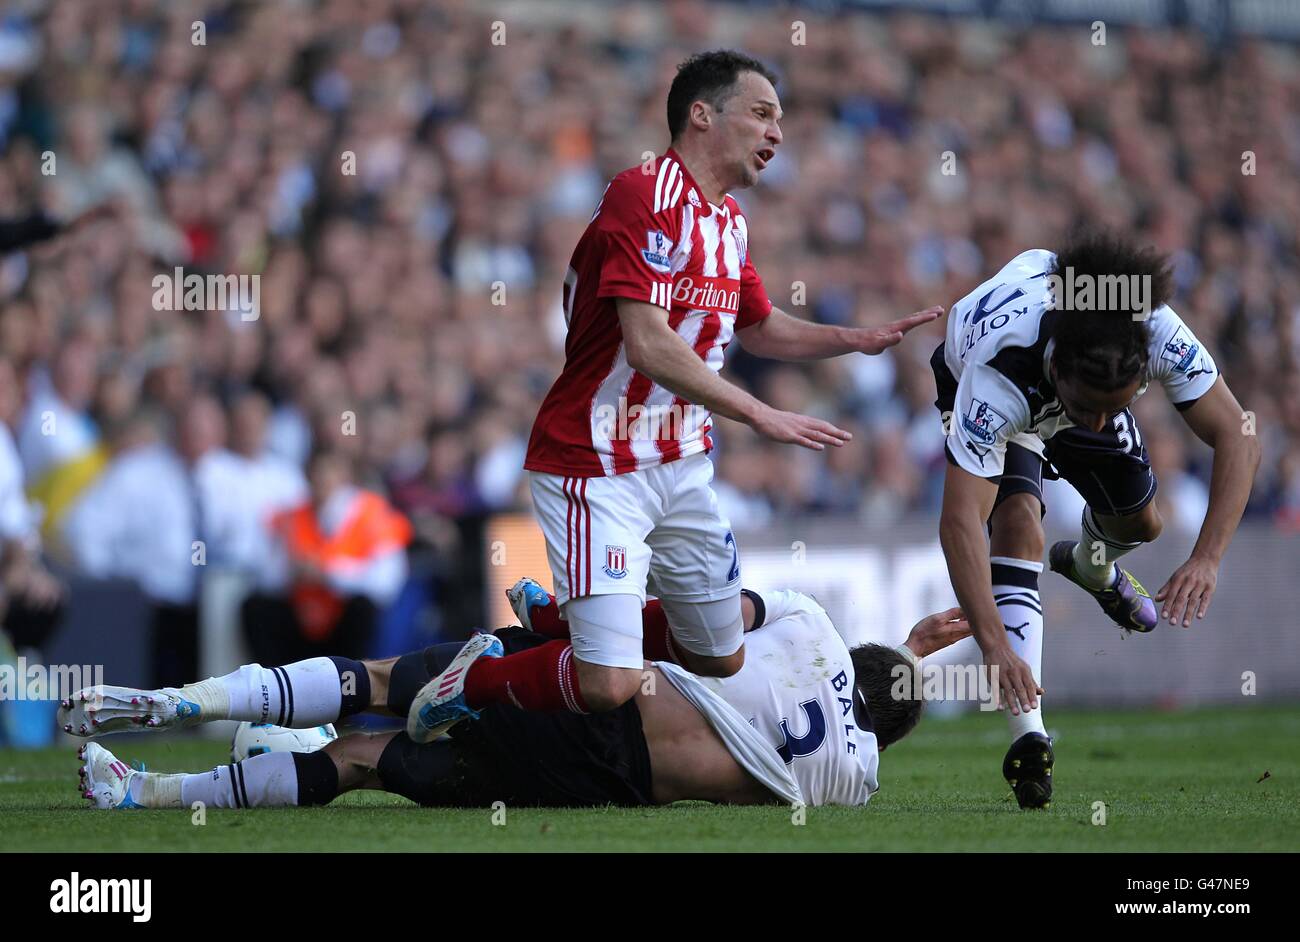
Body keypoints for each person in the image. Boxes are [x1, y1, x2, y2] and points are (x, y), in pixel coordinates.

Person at [410, 49, 940, 739]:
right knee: (609, 685)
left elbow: (759, 326)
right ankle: (472, 678)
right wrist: (757, 413)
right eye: (760, 114)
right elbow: (648, 343)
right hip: (596, 460)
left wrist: (854, 337)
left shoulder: (728, 224)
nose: (777, 132)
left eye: (780, 119)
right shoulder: (644, 194)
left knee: (718, 655)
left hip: (680, 463)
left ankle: (551, 618)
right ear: (701, 115)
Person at [68, 583, 970, 811]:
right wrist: (912, 666)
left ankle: (183, 699)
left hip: (586, 688)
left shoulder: (811, 623)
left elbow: (701, 617)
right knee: (365, 764)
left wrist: (564, 620)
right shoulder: (855, 778)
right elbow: (861, 705)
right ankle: (144, 792)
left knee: (376, 683)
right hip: (605, 778)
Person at [931, 231, 1260, 808]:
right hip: (974, 371)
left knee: (1142, 525)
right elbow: (960, 523)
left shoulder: (1149, 327)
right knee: (1016, 522)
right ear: (1059, 369)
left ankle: (1091, 567)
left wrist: (1207, 558)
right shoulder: (997, 382)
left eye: (1120, 405)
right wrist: (993, 645)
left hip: (1054, 386)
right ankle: (1029, 737)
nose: (1104, 424)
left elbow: (1238, 432)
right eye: (1091, 409)